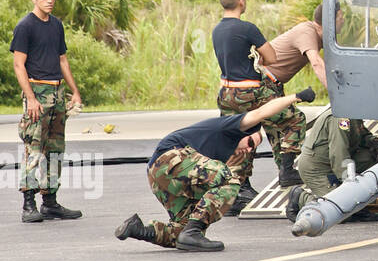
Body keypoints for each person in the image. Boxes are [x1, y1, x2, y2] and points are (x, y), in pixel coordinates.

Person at [114, 89, 315, 251]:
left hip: (159, 175)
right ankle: (195, 232)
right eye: (252, 142)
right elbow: (261, 112)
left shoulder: (222, 152)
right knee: (230, 180)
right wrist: (296, 97)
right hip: (172, 158)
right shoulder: (229, 127)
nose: (249, 149)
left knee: (180, 231)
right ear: (245, 131)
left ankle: (139, 229)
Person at [222, 6, 332, 188]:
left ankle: (283, 171)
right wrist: (335, 94)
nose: (342, 23)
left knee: (276, 130)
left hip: (270, 83)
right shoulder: (308, 32)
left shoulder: (314, 33)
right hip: (265, 82)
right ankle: (286, 172)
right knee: (294, 120)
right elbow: (316, 63)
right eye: (339, 19)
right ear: (329, 21)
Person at [10, 0, 83, 223]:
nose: (49, 0)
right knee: (34, 148)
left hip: (57, 93)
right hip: (37, 92)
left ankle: (50, 202)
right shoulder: (25, 26)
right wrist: (30, 97)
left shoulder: (56, 26)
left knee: (55, 149)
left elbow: (63, 60)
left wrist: (75, 91)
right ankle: (28, 204)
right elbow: (19, 65)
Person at [212, 0, 275, 212]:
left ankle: (232, 189)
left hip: (226, 91)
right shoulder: (247, 28)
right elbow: (271, 57)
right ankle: (286, 168)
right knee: (257, 134)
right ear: (241, 1)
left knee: (232, 139)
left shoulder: (217, 30)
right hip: (246, 91)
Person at [285, 114, 378, 223]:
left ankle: (353, 205)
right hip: (317, 170)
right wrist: (349, 184)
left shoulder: (352, 113)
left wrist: (371, 141)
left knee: (371, 156)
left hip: (331, 166)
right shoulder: (340, 118)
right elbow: (338, 153)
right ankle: (300, 197)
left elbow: (360, 134)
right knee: (337, 211)